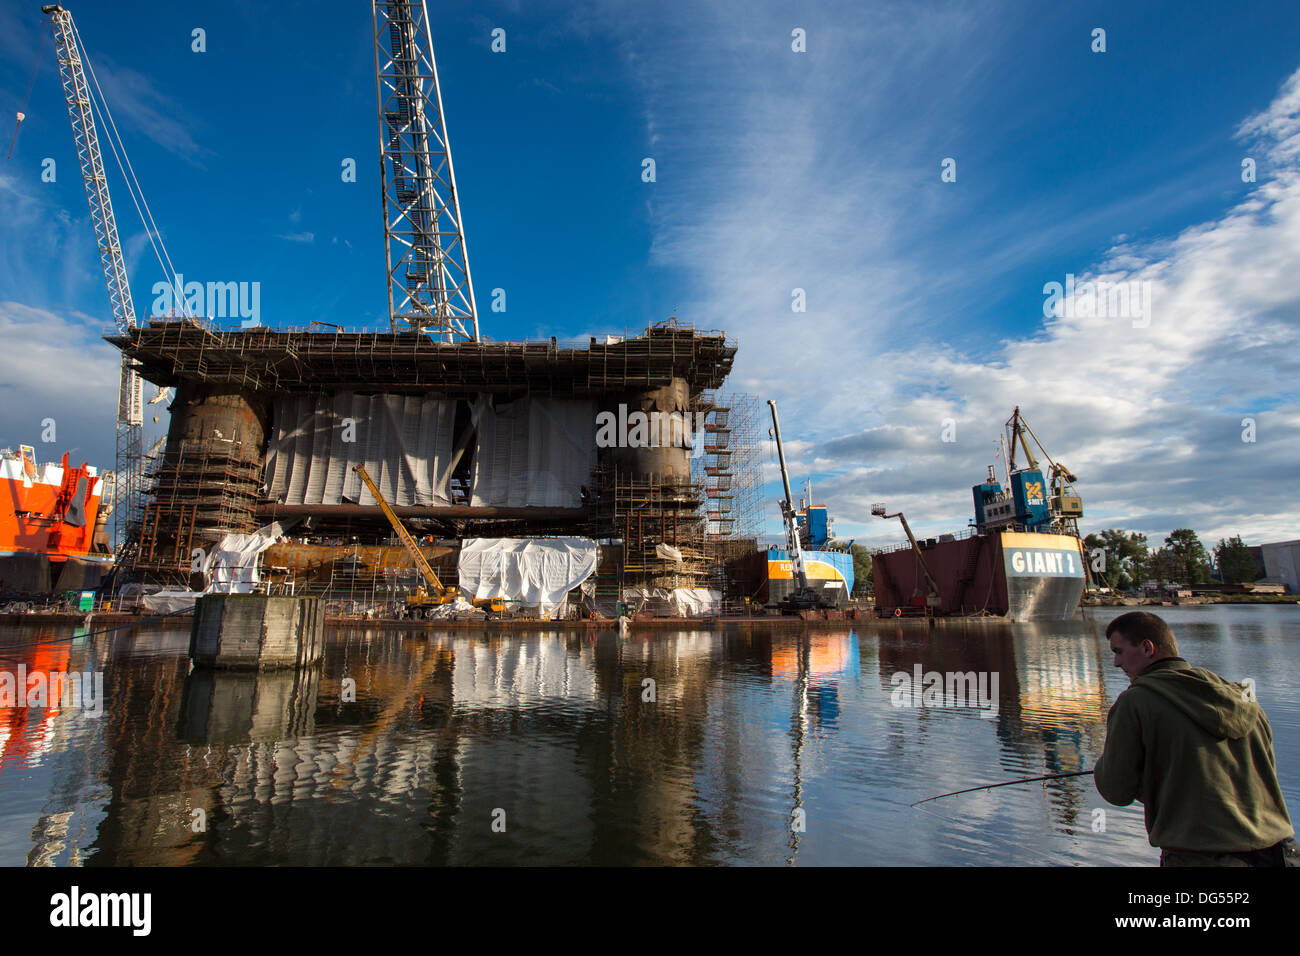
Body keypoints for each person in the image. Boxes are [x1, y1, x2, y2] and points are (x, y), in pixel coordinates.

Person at [1094, 610, 1298, 866]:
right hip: (1279, 852)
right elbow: (1265, 769)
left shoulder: (1135, 702)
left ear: (1147, 648)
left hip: (1199, 856)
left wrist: (1104, 766)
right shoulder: (1242, 698)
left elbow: (1117, 790)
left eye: (1119, 651)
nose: (1115, 663)